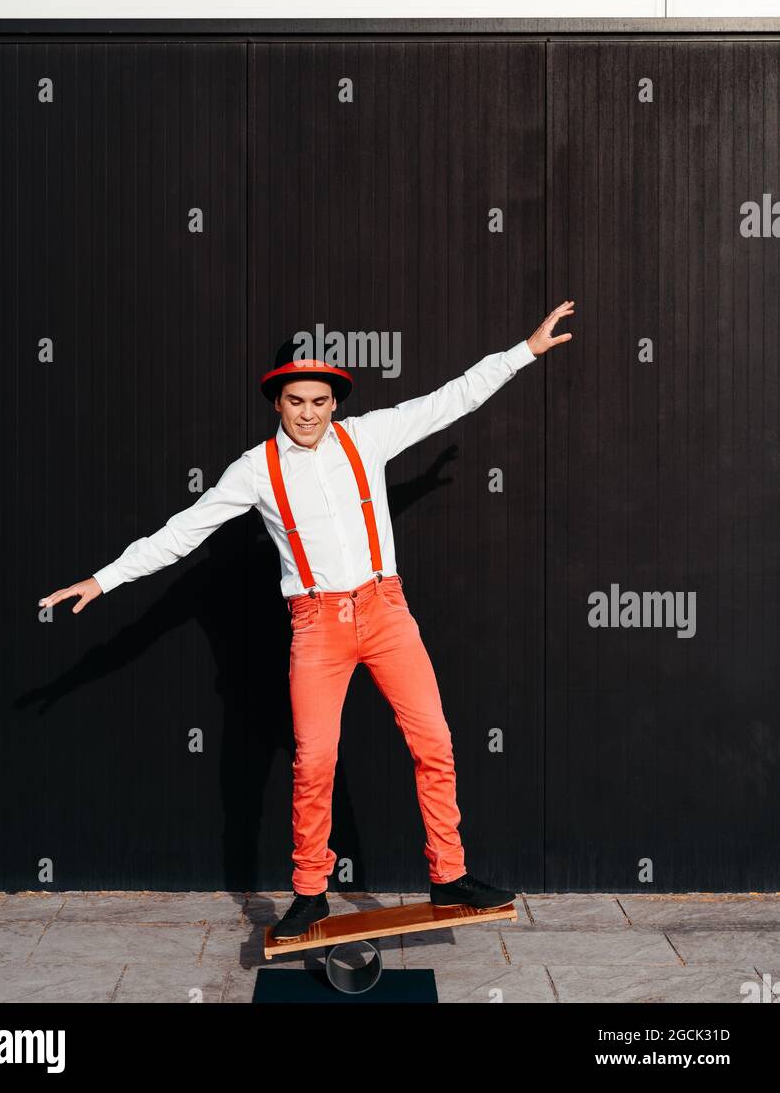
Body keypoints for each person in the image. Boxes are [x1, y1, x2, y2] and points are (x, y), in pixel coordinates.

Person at [40, 302, 574, 939]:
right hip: (316, 626)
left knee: (434, 743)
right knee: (314, 761)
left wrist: (526, 350)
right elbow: (183, 532)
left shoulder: (367, 437)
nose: (310, 413)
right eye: (297, 400)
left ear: (334, 402)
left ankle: (450, 873)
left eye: (320, 400)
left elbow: (449, 399)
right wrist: (103, 580)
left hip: (386, 611)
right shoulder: (254, 471)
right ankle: (310, 893)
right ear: (277, 402)